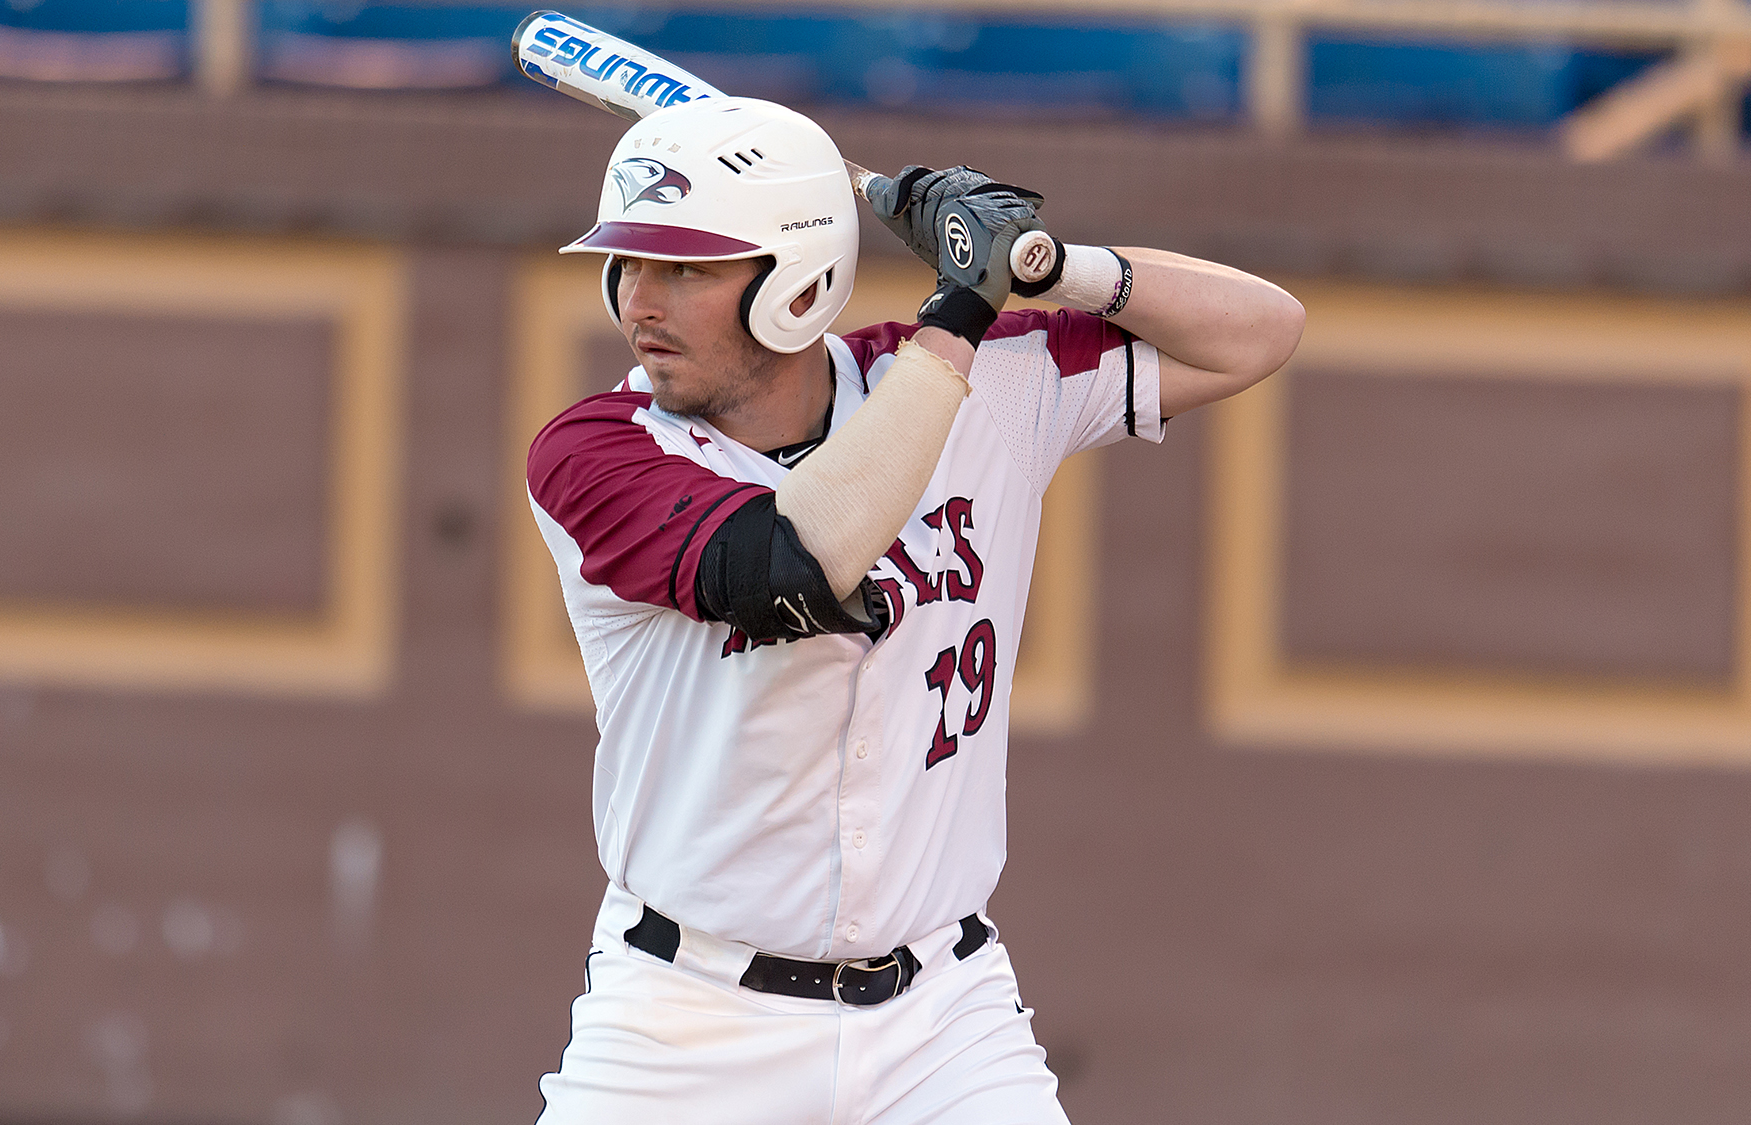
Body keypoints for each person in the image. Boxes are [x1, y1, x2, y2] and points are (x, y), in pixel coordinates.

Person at [526, 96, 1303, 1124]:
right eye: (629, 262)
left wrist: (1045, 265)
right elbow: (790, 563)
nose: (640, 303)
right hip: (686, 1024)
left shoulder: (991, 382)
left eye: (689, 268)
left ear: (794, 284)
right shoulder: (594, 453)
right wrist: (960, 316)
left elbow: (1259, 333)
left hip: (942, 1020)